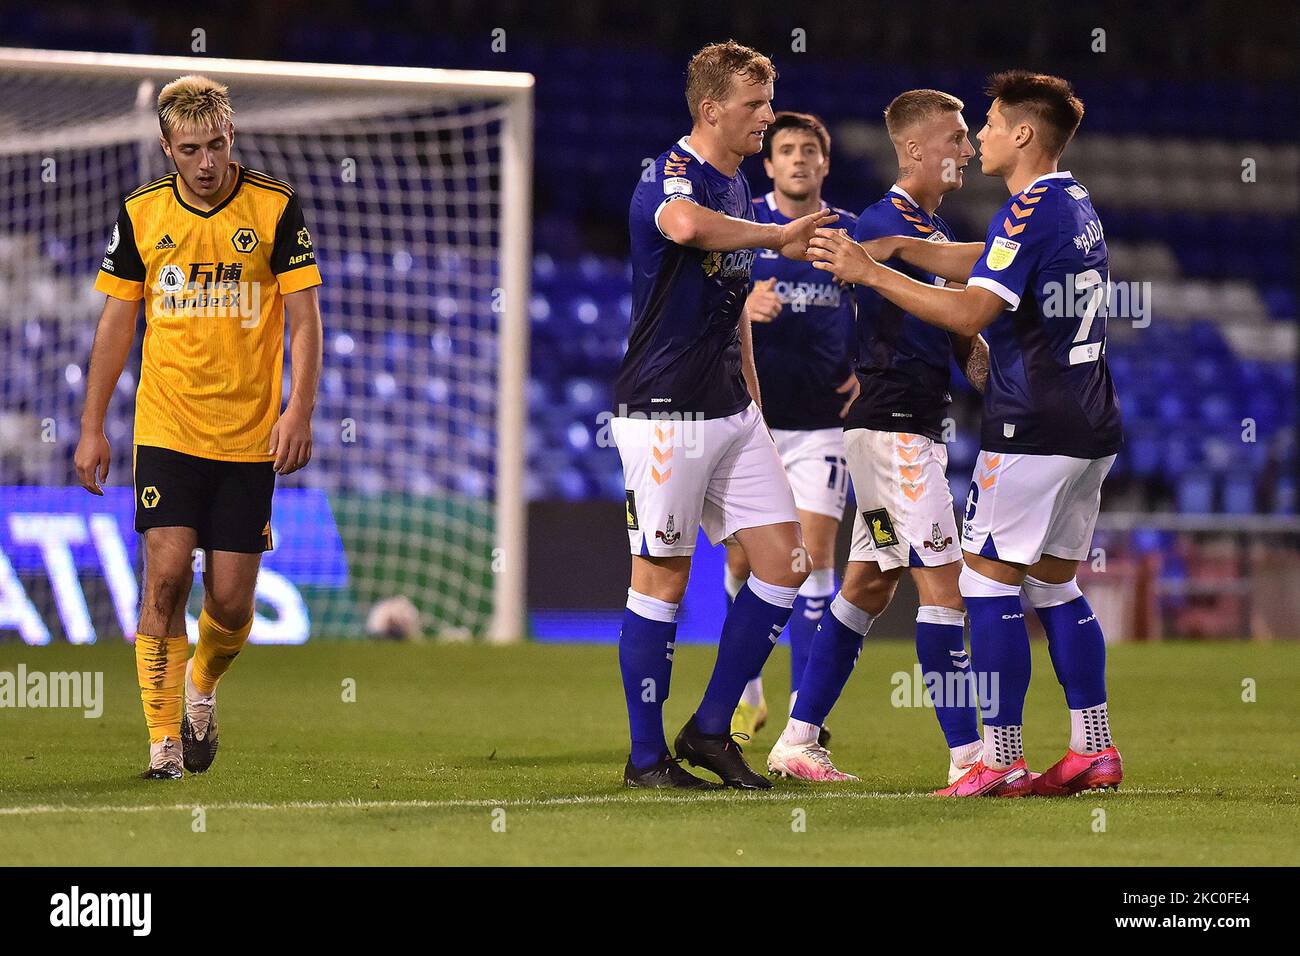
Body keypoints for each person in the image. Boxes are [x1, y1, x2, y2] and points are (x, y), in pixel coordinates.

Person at [808, 71, 1124, 797]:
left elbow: (970, 313)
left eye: (986, 124)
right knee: (1056, 584)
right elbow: (980, 261)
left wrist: (870, 271)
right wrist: (900, 250)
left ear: (1022, 134)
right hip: (1091, 422)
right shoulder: (1073, 204)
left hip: (1033, 425)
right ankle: (1093, 747)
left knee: (983, 586)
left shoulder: (1028, 209)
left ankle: (999, 758)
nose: (979, 136)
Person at [75, 75, 323, 779]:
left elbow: (303, 319)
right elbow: (117, 321)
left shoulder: (275, 207)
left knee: (231, 601)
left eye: (217, 145)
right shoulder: (142, 215)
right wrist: (92, 426)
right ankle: (162, 747)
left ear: (232, 137)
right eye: (191, 149)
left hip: (248, 436)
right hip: (167, 427)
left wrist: (297, 408)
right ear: (167, 148)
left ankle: (202, 688)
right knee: (164, 578)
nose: (207, 162)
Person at [614, 40, 835, 789]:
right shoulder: (669, 174)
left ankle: (711, 728)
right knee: (662, 584)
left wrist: (755, 398)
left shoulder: (738, 182)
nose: (767, 119)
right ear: (711, 110)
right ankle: (646, 760)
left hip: (732, 411)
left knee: (787, 563)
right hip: (665, 412)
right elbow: (683, 228)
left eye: (769, 103)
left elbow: (733, 297)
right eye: (754, 106)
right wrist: (776, 236)